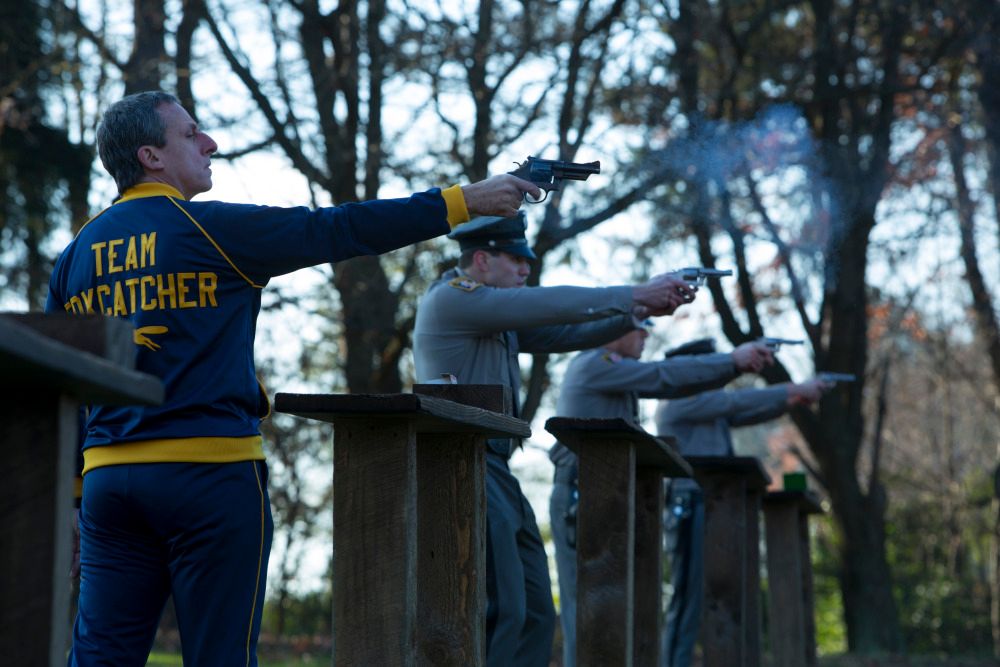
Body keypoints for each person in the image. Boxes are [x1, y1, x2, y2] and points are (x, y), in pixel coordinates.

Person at [46, 90, 538, 667]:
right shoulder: (209, 230)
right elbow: (338, 229)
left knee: (99, 658)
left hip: (109, 486)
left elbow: (67, 387)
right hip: (210, 476)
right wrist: (461, 201)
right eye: (191, 134)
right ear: (150, 157)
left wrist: (74, 499)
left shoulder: (75, 255)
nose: (211, 143)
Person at [412, 213, 698, 666]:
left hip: (495, 464)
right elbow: (551, 306)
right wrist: (634, 292)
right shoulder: (454, 299)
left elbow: (568, 332)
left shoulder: (493, 311)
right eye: (516, 261)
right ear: (482, 260)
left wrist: (635, 311)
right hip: (465, 460)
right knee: (502, 609)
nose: (526, 270)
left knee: (536, 612)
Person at [547, 332, 775, 667]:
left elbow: (734, 405)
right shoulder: (596, 365)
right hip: (586, 493)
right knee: (586, 613)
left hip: (614, 495)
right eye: (638, 326)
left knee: (619, 612)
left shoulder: (618, 371)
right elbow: (668, 377)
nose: (645, 335)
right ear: (615, 329)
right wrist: (732, 363)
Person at [653, 340, 829, 667]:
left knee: (719, 594)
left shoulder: (705, 404)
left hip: (719, 504)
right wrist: (789, 388)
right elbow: (734, 403)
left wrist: (790, 399)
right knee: (688, 598)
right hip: (690, 503)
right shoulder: (679, 400)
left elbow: (745, 410)